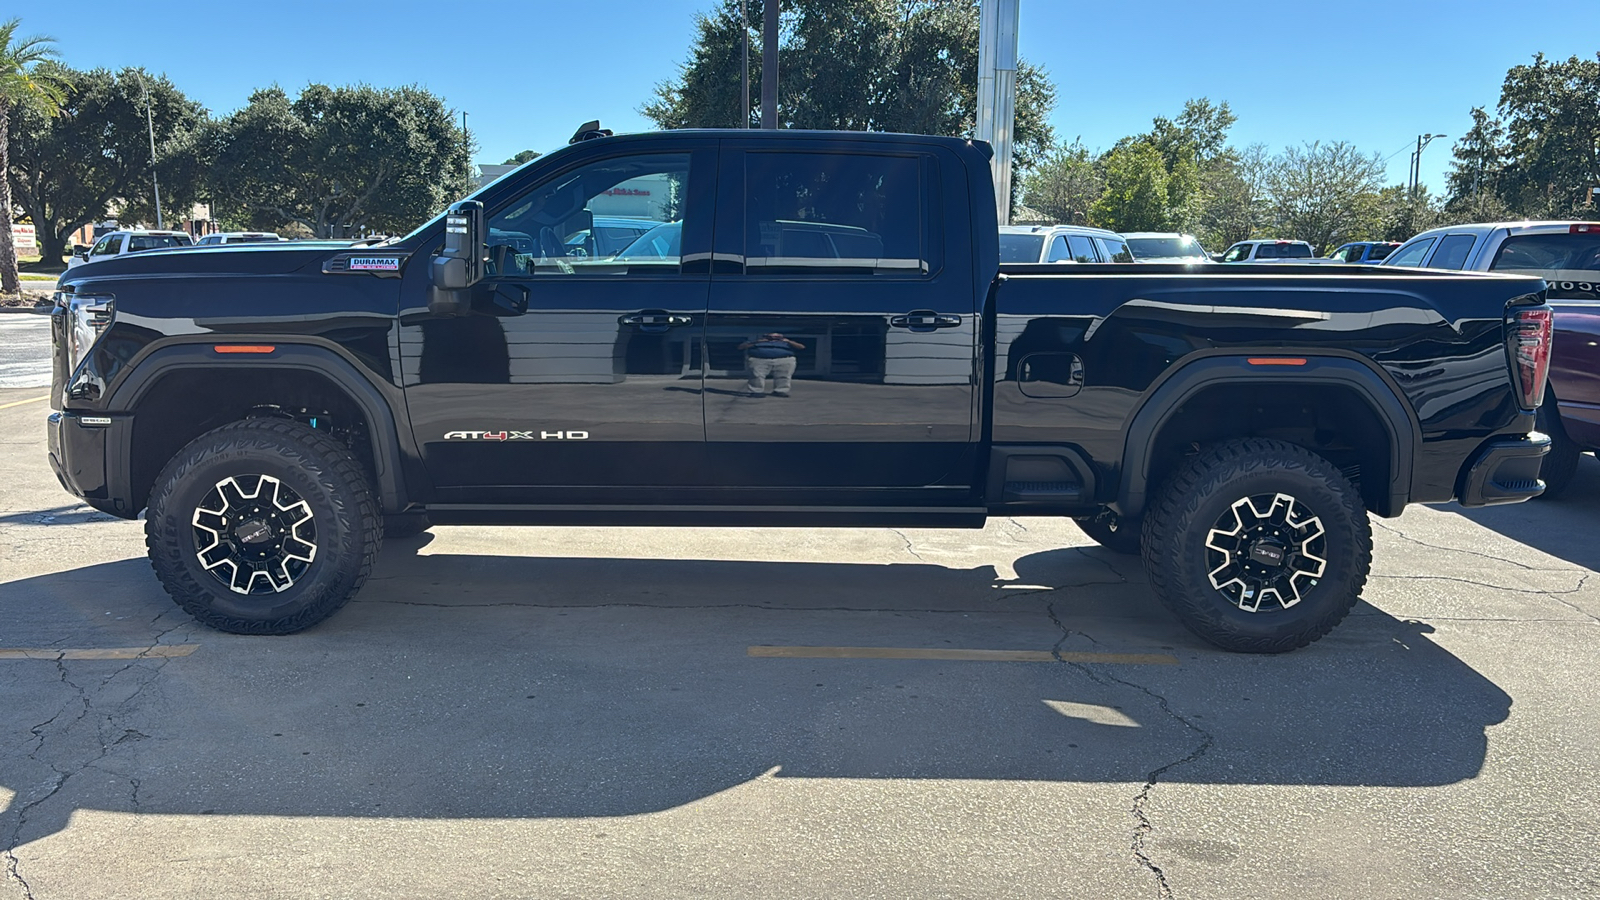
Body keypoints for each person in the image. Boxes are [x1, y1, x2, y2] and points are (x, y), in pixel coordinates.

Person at [739, 332, 805, 397]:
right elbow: (741, 347)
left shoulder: (787, 342)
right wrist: (758, 342)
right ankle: (756, 391)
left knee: (784, 376)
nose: (774, 339)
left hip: (783, 359)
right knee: (757, 375)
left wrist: (788, 341)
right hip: (759, 359)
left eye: (777, 337)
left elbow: (801, 347)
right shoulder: (757, 341)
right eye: (771, 337)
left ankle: (781, 391)